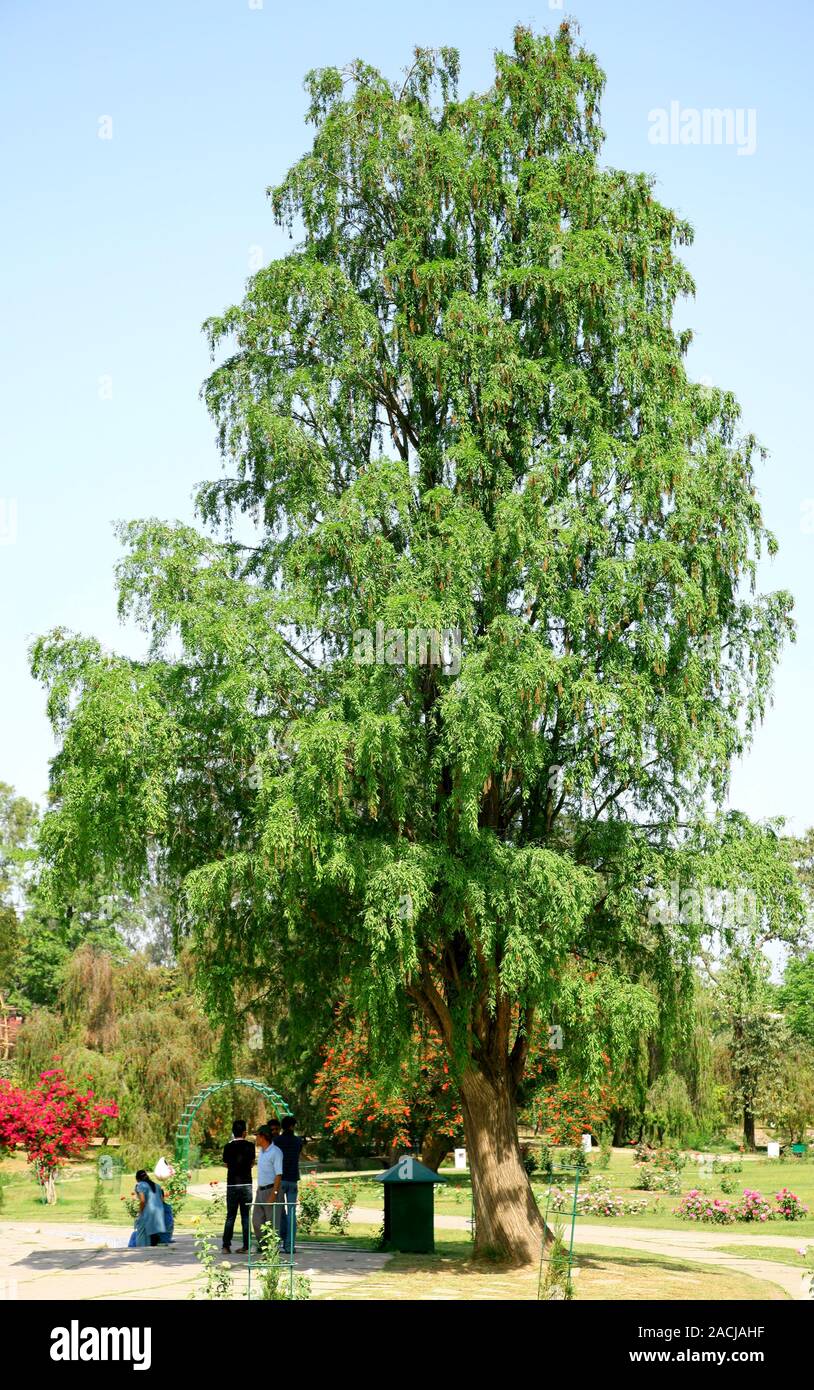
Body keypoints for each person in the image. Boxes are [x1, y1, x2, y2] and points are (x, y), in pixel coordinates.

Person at [222, 1119, 255, 1254]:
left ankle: (225, 1245)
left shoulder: (227, 1147)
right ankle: (246, 1246)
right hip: (246, 1183)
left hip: (232, 1184)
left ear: (233, 1132)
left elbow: (226, 1163)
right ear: (244, 1132)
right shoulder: (250, 1146)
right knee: (246, 1216)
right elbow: (252, 1163)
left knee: (230, 1215)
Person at [276, 1115, 304, 1254]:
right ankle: (290, 1245)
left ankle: (279, 1240)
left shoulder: (277, 1141)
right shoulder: (298, 1141)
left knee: (280, 1212)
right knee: (292, 1213)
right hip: (293, 1179)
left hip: (280, 1179)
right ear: (292, 1126)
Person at [252, 1124, 283, 1253]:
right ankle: (264, 1247)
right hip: (260, 1191)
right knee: (256, 1221)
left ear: (263, 1137)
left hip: (272, 1190)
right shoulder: (262, 1152)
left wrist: (274, 1194)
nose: (256, 1139)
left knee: (272, 1224)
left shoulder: (276, 1152)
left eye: (257, 1136)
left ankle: (272, 1251)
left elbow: (278, 1174)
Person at [133, 1170, 166, 1247]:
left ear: (137, 1179)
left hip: (148, 1212)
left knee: (142, 1232)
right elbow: (162, 1200)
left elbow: (142, 1200)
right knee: (154, 1233)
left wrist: (140, 1212)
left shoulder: (140, 1185)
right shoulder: (157, 1185)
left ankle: (142, 1248)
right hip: (159, 1211)